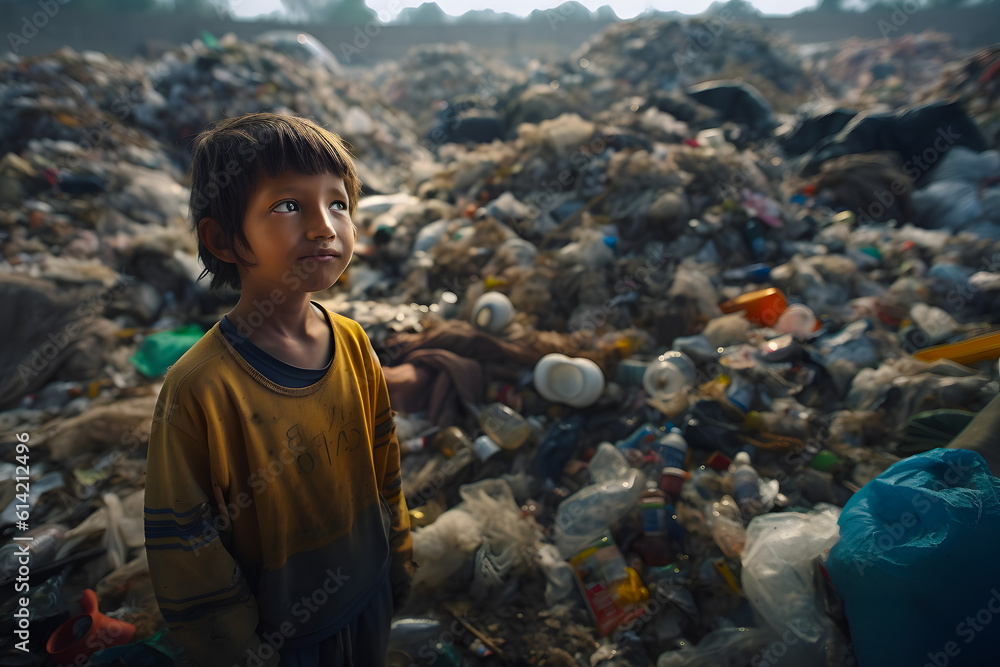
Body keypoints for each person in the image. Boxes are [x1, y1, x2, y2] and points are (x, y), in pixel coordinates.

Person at [143, 112, 413, 667]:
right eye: (288, 206)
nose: (323, 227)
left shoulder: (354, 342)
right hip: (282, 640)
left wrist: (400, 557)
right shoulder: (202, 388)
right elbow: (187, 543)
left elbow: (384, 460)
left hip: (369, 595)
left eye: (337, 203)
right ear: (221, 238)